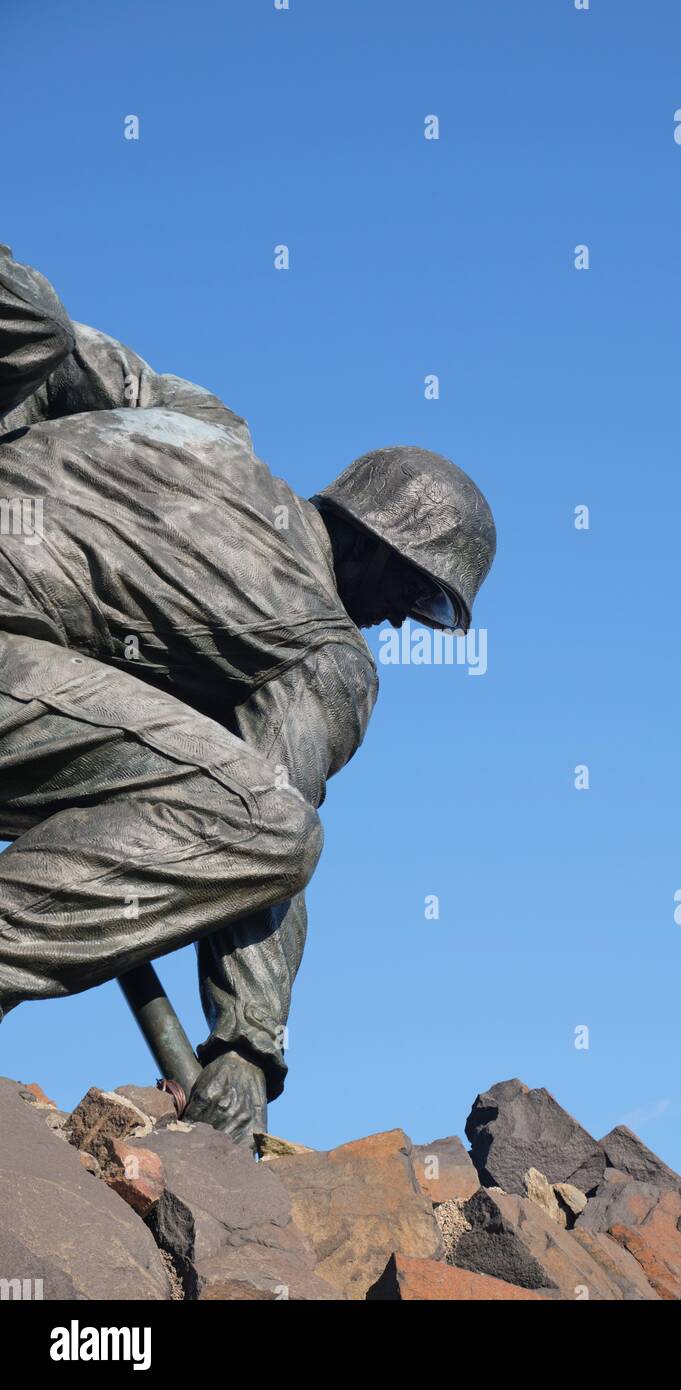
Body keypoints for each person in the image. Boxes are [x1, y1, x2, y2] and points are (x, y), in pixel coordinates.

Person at [0, 246, 496, 1143]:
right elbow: (260, 824)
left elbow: (54, 347)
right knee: (276, 828)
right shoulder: (324, 648)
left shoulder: (202, 422)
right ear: (380, 548)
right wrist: (247, 1047)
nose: (401, 621)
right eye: (419, 596)